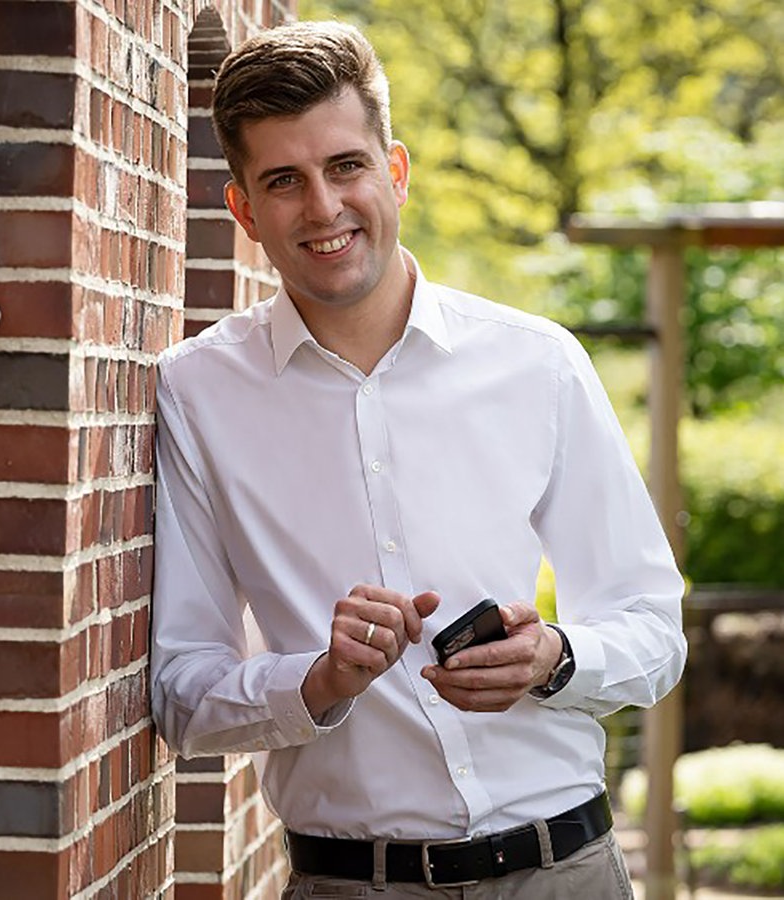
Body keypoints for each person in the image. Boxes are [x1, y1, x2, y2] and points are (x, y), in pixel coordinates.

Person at [151, 19, 686, 899]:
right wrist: (315, 683)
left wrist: (554, 658)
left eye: (346, 166)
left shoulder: (536, 361)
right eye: (283, 181)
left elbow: (653, 630)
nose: (322, 208)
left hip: (564, 872)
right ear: (242, 209)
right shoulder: (199, 392)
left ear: (394, 171)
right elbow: (180, 691)